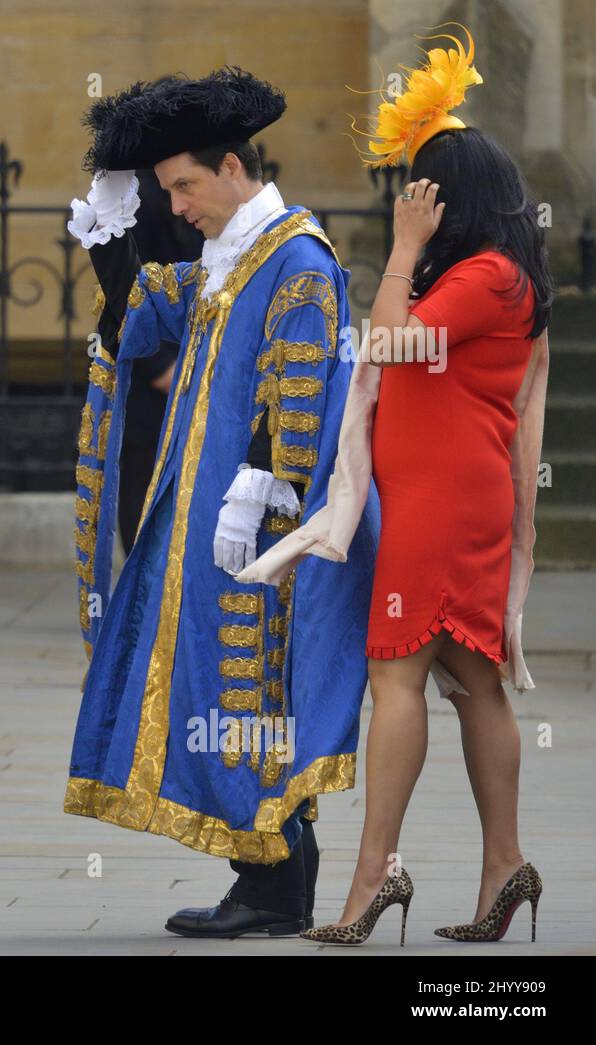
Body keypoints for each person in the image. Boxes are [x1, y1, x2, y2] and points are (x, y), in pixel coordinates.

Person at [238, 26, 551, 945]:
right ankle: (505, 868)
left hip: (444, 504)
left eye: (423, 193)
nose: (411, 204)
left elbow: (386, 340)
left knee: (396, 675)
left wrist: (406, 246)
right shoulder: (494, 276)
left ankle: (375, 877)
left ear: (457, 201)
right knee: (470, 676)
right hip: (450, 498)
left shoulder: (490, 277)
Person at [66, 67, 380, 939]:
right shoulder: (226, 257)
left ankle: (276, 883)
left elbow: (302, 385)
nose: (181, 206)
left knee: (250, 688)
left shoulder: (298, 259)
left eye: (184, 187)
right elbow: (135, 314)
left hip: (257, 522)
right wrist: (111, 224)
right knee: (217, 686)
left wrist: (258, 487)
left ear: (233, 168)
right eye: (167, 192)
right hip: (204, 510)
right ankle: (265, 875)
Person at [113, 174, 203, 555]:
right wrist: (160, 366)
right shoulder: (141, 194)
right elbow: (121, 289)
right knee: (143, 474)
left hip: (189, 349)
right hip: (155, 363)